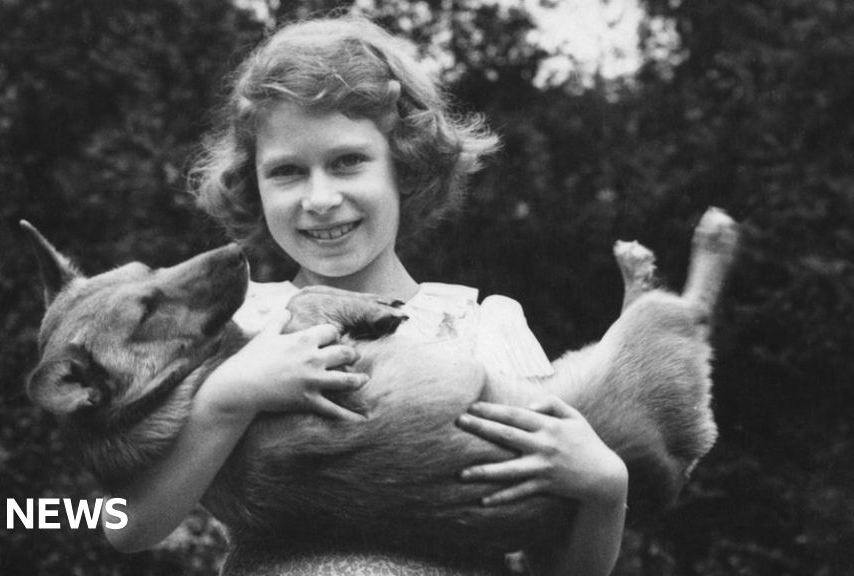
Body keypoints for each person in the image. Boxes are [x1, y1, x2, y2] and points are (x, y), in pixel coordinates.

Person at [103, 15, 628, 576]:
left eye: (348, 161)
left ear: (404, 165)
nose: (321, 198)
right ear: (252, 184)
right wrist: (227, 399)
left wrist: (605, 491)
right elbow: (128, 527)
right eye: (286, 171)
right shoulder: (240, 325)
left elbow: (555, 564)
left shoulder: (483, 330)